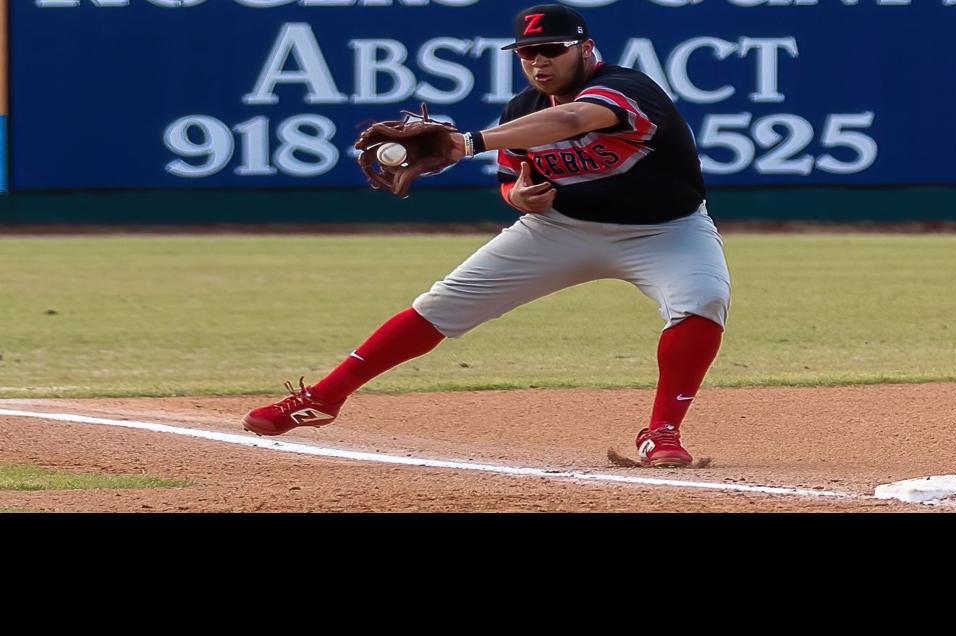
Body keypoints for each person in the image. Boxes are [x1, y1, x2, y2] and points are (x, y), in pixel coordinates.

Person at [243, 3, 730, 468]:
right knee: (441, 306)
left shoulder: (626, 87)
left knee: (702, 298)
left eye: (553, 49)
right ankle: (323, 399)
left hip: (665, 230)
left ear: (586, 48)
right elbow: (510, 179)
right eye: (527, 53)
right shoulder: (522, 107)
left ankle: (662, 431)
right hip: (558, 230)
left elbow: (574, 118)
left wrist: (468, 142)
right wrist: (519, 198)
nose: (539, 61)